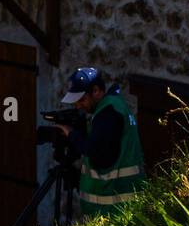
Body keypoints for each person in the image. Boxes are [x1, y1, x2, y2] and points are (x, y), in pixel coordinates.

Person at [56, 67, 145, 216]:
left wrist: (71, 134)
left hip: (113, 207)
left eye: (82, 99)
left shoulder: (108, 113)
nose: (78, 106)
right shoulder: (115, 106)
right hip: (121, 204)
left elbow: (94, 150)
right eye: (75, 102)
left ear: (96, 91)